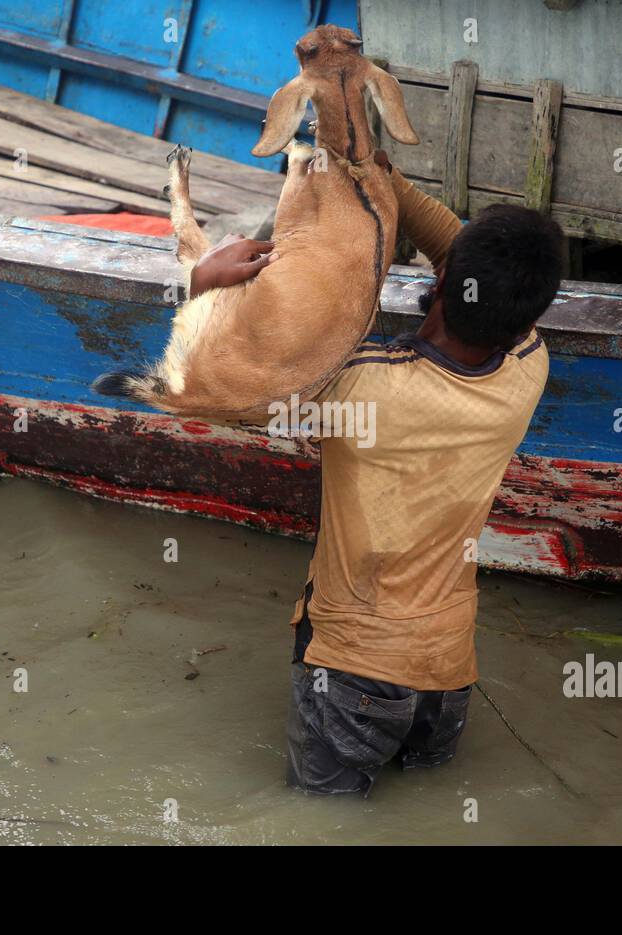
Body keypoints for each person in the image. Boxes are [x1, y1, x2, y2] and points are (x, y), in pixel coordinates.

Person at [189, 153, 565, 796]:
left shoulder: (355, 382)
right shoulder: (529, 365)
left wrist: (205, 286)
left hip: (352, 673)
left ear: (441, 284)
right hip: (446, 672)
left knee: (321, 820)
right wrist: (382, 177)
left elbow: (218, 389)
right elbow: (461, 257)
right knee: (427, 807)